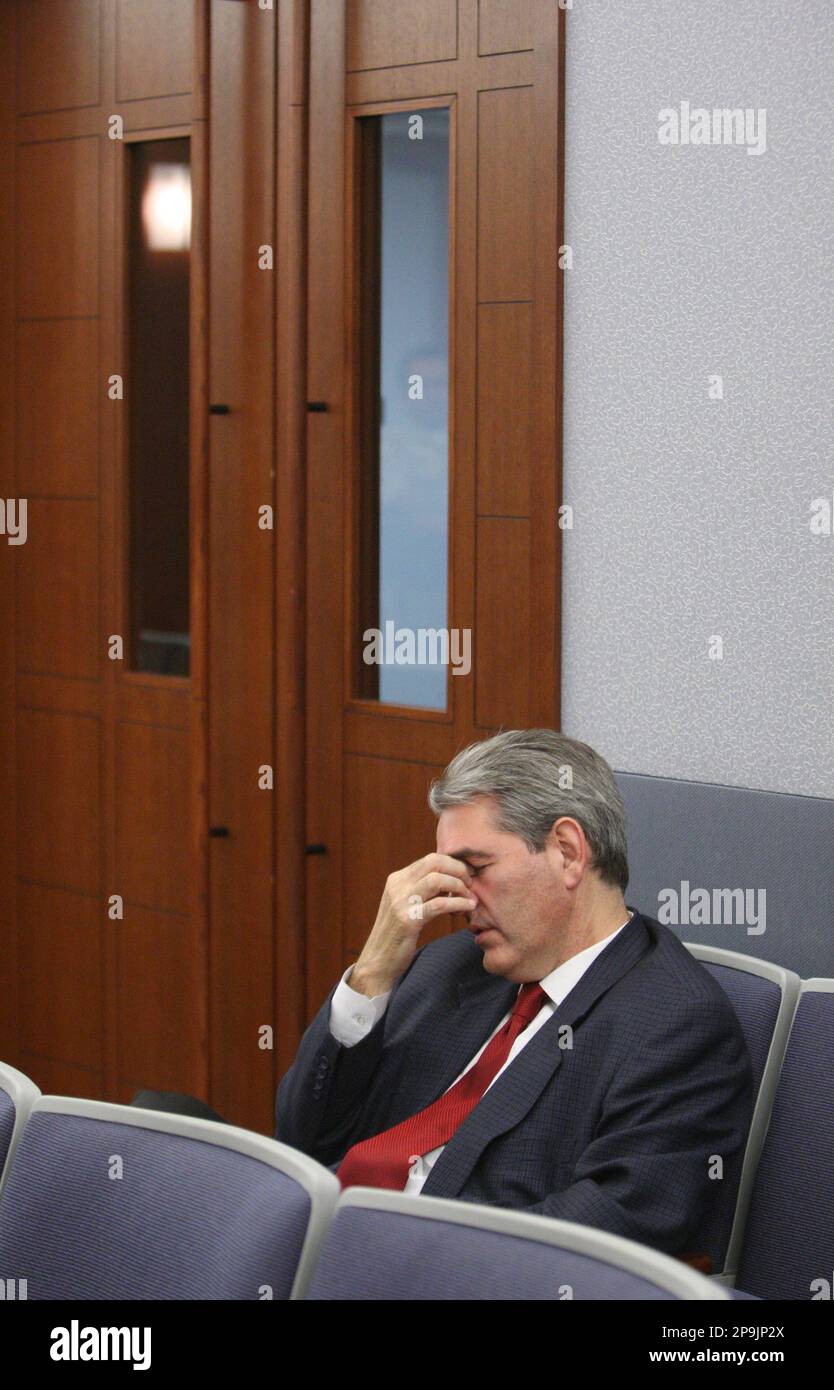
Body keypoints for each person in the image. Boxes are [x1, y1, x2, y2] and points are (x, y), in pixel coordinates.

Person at [274, 729, 755, 1271]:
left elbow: (608, 1237)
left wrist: (392, 1258)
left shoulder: (676, 1026)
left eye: (475, 870)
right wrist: (373, 971)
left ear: (568, 852)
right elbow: (306, 1137)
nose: (456, 901)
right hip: (319, 1250)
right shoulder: (449, 969)